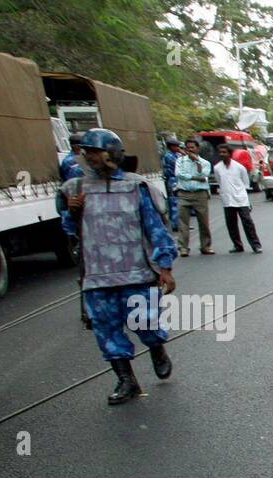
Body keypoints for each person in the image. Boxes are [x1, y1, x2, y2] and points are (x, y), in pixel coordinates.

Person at [60, 128, 177, 406]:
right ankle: (127, 380)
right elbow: (69, 230)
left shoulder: (136, 187)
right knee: (107, 331)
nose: (89, 158)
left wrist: (165, 266)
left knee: (147, 324)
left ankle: (157, 350)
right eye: (86, 152)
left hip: (136, 273)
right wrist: (72, 211)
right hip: (97, 277)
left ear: (112, 153)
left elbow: (155, 228)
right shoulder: (76, 189)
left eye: (95, 152)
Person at [214, 144, 261, 254]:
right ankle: (237, 245)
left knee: (247, 222)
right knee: (231, 224)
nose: (222, 154)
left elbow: (245, 183)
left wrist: (244, 198)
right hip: (227, 199)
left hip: (241, 199)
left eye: (224, 152)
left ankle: (256, 245)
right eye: (220, 152)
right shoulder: (217, 168)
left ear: (230, 154)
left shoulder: (239, 167)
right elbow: (219, 182)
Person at [174, 138, 213, 256]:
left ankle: (205, 246)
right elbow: (179, 174)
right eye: (188, 147)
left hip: (200, 194)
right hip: (184, 193)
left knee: (204, 222)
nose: (190, 149)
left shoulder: (205, 163)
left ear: (197, 148)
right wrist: (195, 177)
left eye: (192, 147)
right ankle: (183, 248)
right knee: (183, 223)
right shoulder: (180, 161)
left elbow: (204, 175)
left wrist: (197, 162)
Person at [161, 137, 182, 233]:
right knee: (174, 202)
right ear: (171, 147)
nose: (178, 147)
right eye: (176, 146)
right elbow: (179, 166)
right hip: (172, 180)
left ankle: (178, 223)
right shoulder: (169, 156)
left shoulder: (176, 155)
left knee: (178, 202)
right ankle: (175, 224)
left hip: (176, 180)